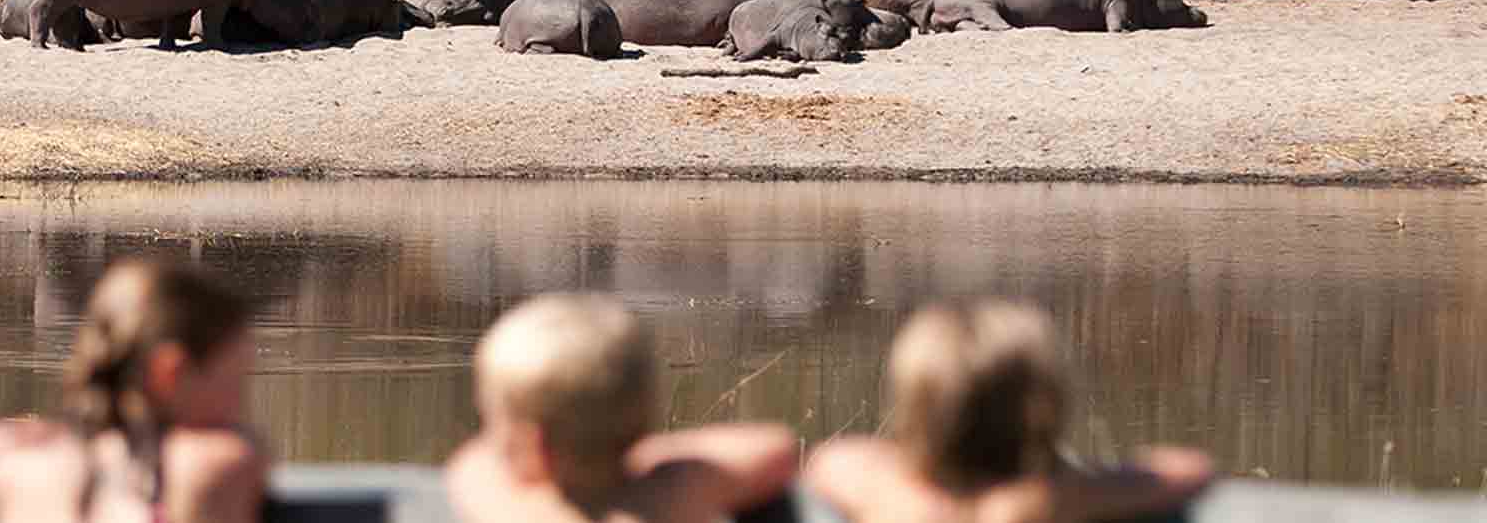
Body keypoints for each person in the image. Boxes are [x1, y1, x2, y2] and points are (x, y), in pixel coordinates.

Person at [805, 300, 1214, 523]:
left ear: (914, 406)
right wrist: (1066, 474)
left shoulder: (887, 496)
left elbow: (830, 459)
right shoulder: (1049, 500)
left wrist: (913, 464)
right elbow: (1187, 469)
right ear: (1044, 406)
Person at [447, 292, 799, 523]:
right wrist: (631, 452)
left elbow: (472, 464)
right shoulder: (670, 496)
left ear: (537, 445)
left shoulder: (514, 509)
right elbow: (775, 447)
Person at [0, 259, 266, 523]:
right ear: (169, 372)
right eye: (236, 382)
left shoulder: (15, 453)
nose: (240, 405)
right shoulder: (210, 463)